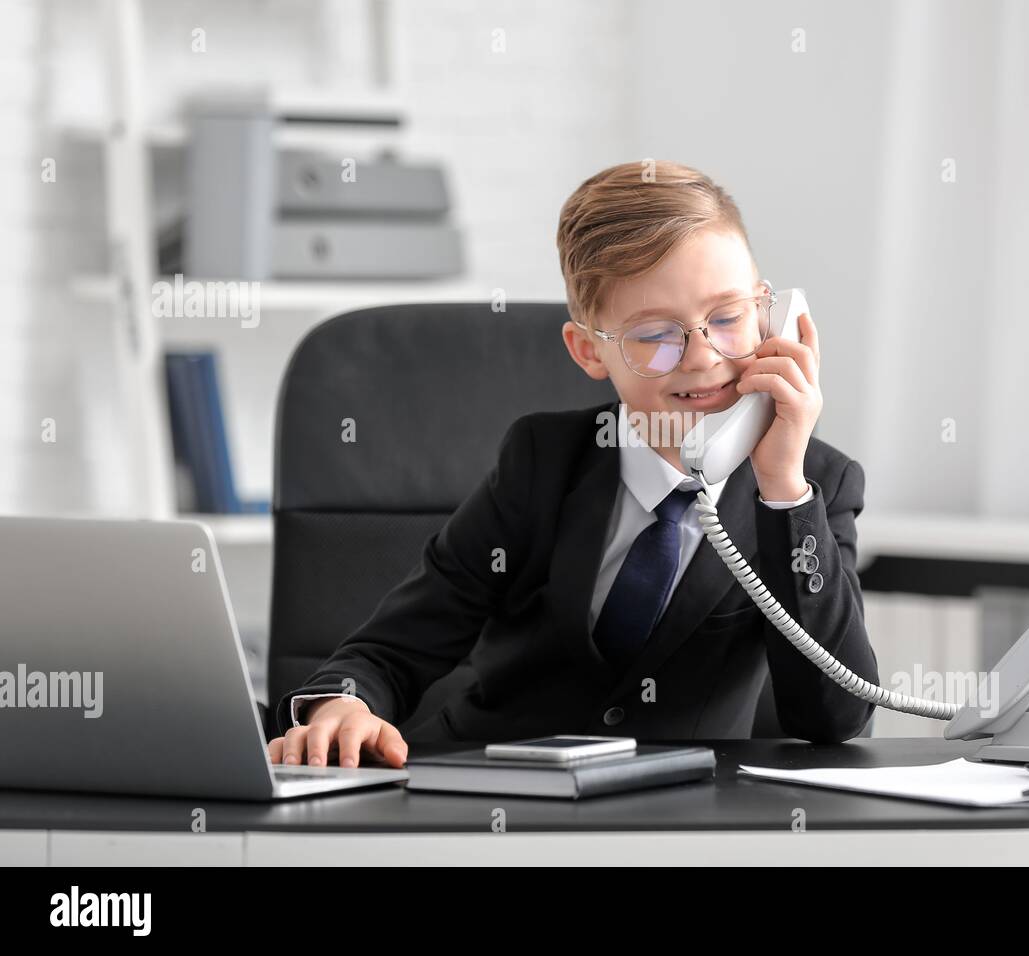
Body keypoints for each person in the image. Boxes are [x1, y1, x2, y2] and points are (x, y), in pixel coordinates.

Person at [268, 160, 878, 769]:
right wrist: (342, 704)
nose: (701, 356)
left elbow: (833, 717)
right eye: (655, 334)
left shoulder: (814, 487)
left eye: (727, 318)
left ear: (771, 317)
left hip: (682, 808)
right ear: (589, 350)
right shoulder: (542, 462)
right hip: (493, 787)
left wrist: (783, 492)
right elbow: (396, 645)